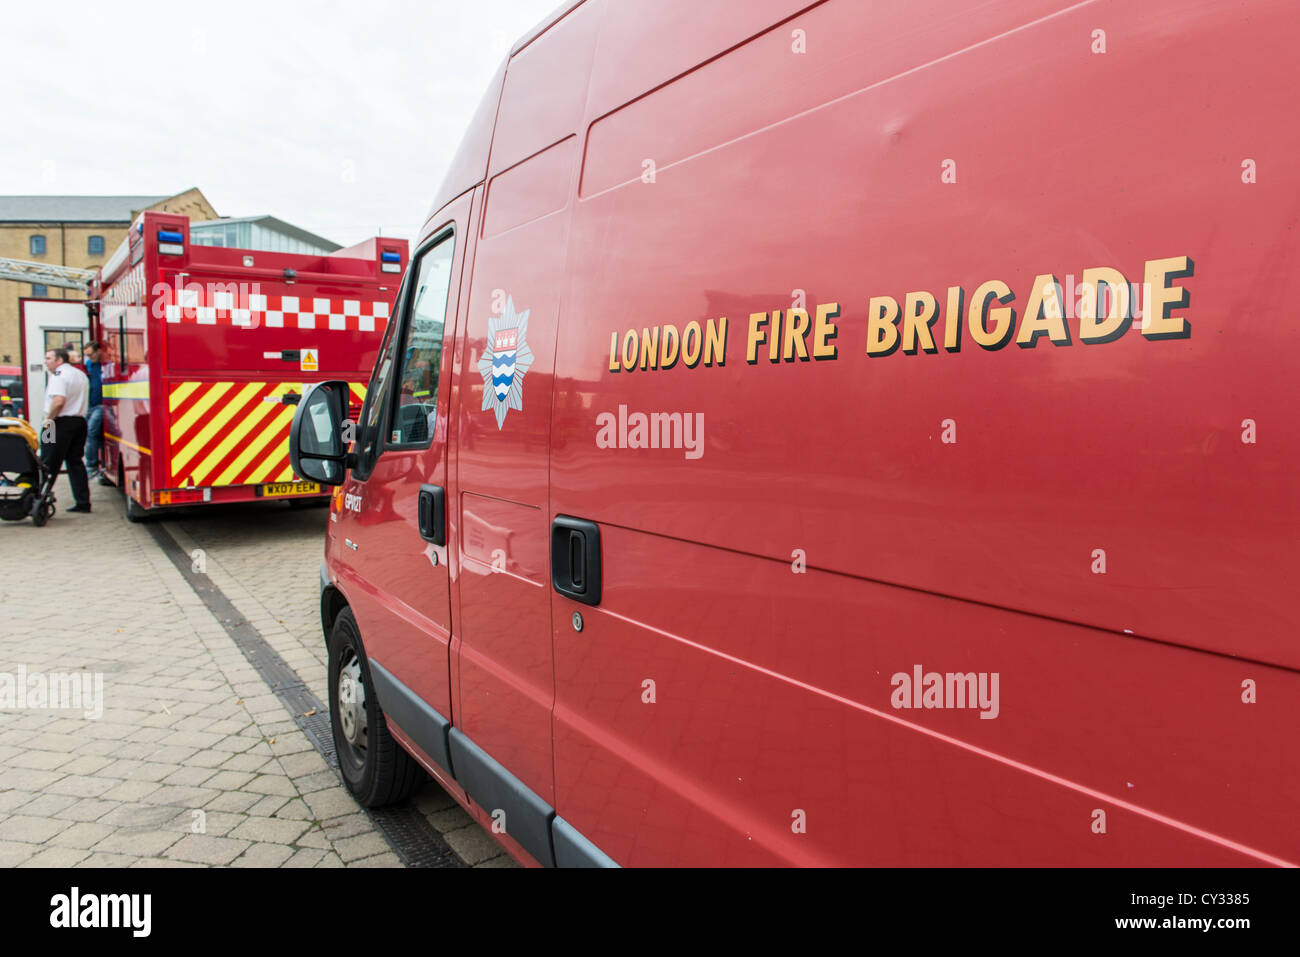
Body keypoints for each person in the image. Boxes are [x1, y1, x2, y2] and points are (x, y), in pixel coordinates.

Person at [41, 348, 91, 513]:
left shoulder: (58, 375)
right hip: (79, 422)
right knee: (75, 462)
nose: (46, 361)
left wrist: (48, 420)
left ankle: (39, 498)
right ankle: (83, 502)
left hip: (56, 423)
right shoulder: (80, 374)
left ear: (59, 360)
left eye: (49, 358)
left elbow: (58, 401)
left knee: (47, 462)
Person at [82, 341, 104, 479]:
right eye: (87, 355)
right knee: (96, 435)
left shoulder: (106, 364)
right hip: (91, 404)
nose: (89, 358)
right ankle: (103, 463)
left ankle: (91, 466)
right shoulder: (90, 364)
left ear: (98, 351)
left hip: (102, 405)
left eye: (91, 354)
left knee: (91, 431)